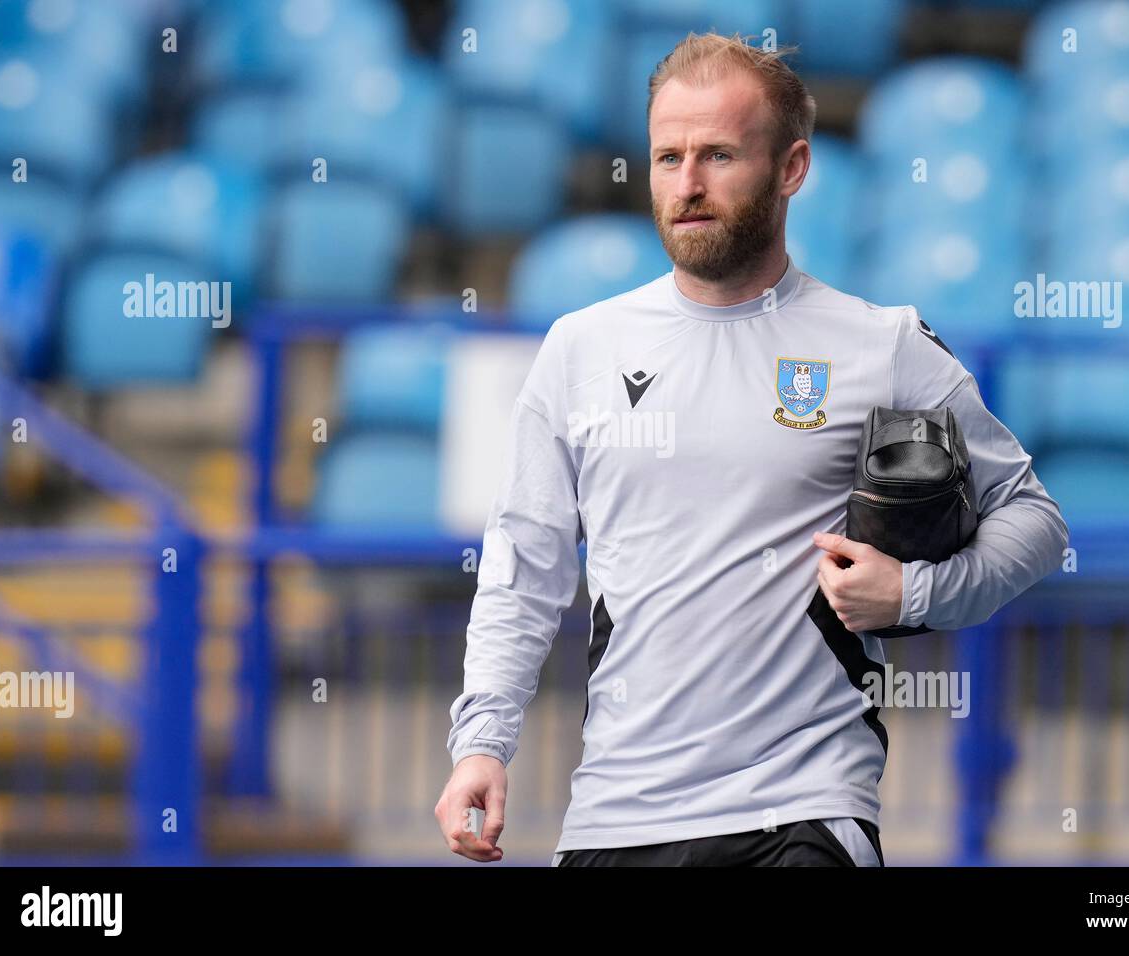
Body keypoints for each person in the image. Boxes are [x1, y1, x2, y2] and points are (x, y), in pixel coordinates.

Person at [434, 31, 1068, 867]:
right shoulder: (580, 348)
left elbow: (1035, 520)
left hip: (803, 811)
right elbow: (524, 563)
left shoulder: (882, 345)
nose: (687, 185)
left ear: (792, 167)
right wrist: (482, 742)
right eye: (668, 158)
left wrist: (918, 591)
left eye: (719, 155)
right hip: (618, 817)